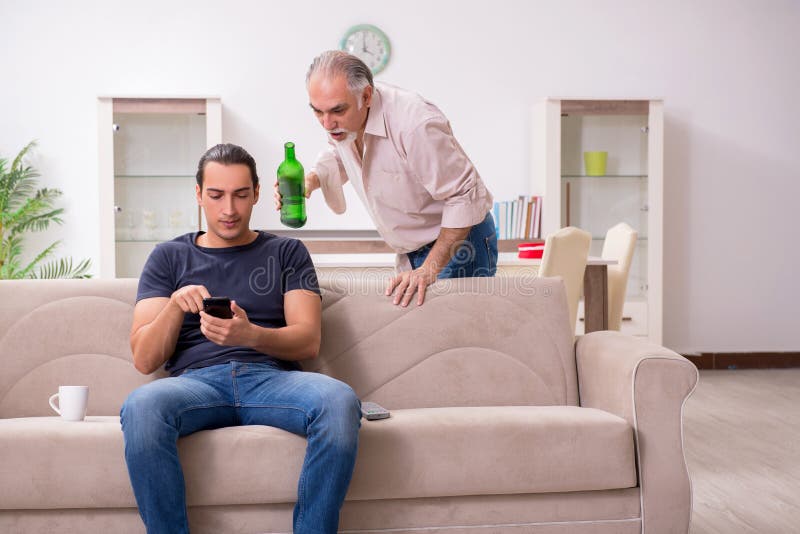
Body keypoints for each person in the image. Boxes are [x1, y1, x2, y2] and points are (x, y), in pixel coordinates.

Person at [120, 143, 361, 534]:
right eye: (215, 196)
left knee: (339, 401)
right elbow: (144, 359)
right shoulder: (168, 257)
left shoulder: (287, 253)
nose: (228, 209)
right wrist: (174, 308)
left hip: (273, 380)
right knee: (142, 407)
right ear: (198, 194)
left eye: (240, 195)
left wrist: (250, 335)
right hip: (194, 385)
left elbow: (307, 342)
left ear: (258, 194)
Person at [274, 50, 497, 307]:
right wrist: (310, 181)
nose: (326, 123)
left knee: (458, 338)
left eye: (337, 110)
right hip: (413, 249)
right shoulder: (344, 121)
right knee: (427, 337)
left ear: (366, 96)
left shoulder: (415, 124)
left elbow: (464, 196)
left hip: (460, 243)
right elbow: (342, 154)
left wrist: (428, 269)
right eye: (317, 112)